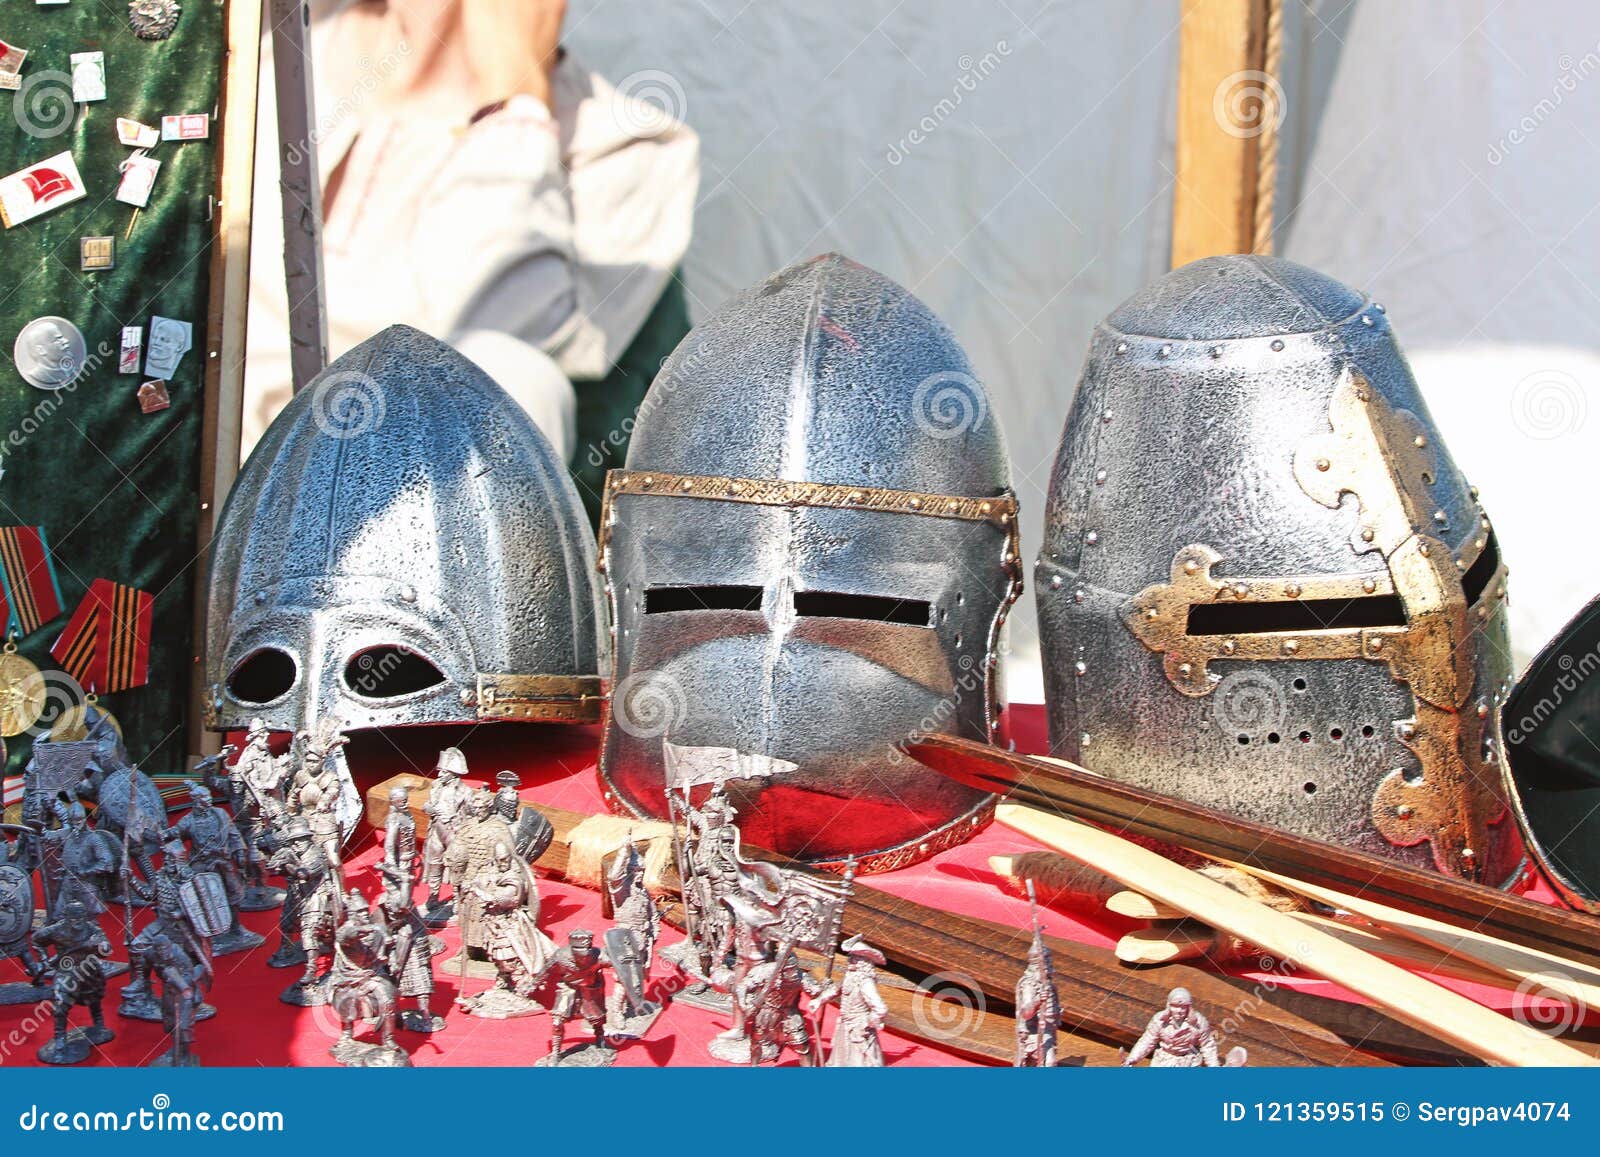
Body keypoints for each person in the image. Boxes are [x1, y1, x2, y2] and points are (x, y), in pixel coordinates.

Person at [245, 0, 699, 469]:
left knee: (516, 372)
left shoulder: (625, 147)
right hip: (198, 502)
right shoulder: (247, 57)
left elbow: (489, 378)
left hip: (409, 507)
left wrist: (518, 102)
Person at [1123, 987, 1224, 1068]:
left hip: (1189, 1061)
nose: (1179, 1010)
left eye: (1183, 1007)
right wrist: (1132, 1058)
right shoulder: (1159, 1020)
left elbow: (1207, 1046)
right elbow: (1147, 1041)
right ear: (1169, 1006)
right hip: (1163, 1061)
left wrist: (1214, 1066)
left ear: (1189, 1007)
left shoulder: (1199, 1022)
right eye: (1175, 1006)